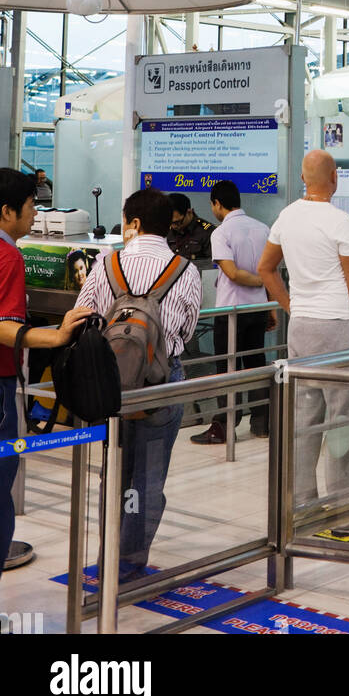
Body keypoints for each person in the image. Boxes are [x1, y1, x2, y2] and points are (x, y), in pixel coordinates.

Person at [78, 188, 201, 580]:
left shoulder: (107, 263)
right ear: (168, 225)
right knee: (148, 477)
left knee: (113, 471)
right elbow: (187, 328)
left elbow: (82, 314)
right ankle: (130, 564)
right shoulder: (186, 268)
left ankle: (107, 556)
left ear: (131, 222)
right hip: (162, 384)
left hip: (111, 385)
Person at [257, 150, 349, 535]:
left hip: (303, 330)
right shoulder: (340, 221)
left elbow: (265, 268)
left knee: (305, 421)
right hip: (339, 328)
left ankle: (304, 509)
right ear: (335, 178)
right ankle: (346, 516)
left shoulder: (286, 216)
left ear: (302, 177)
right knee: (341, 421)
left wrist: (293, 305)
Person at [0, 168, 90, 578]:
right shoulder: (8, 257)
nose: (35, 214)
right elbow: (3, 327)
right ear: (7, 212)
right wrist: (56, 338)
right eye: (32, 205)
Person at [191, 180, 271, 445]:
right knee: (256, 364)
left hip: (231, 311)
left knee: (227, 368)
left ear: (217, 203)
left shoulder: (220, 233)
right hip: (258, 308)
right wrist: (268, 297)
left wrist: (261, 282)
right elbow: (267, 271)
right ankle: (262, 423)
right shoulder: (263, 228)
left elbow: (233, 273)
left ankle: (224, 427)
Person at [167, 193, 214, 263]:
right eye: (170, 222)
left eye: (177, 222)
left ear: (189, 212)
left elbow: (212, 265)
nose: (173, 226)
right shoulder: (165, 230)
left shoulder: (207, 232)